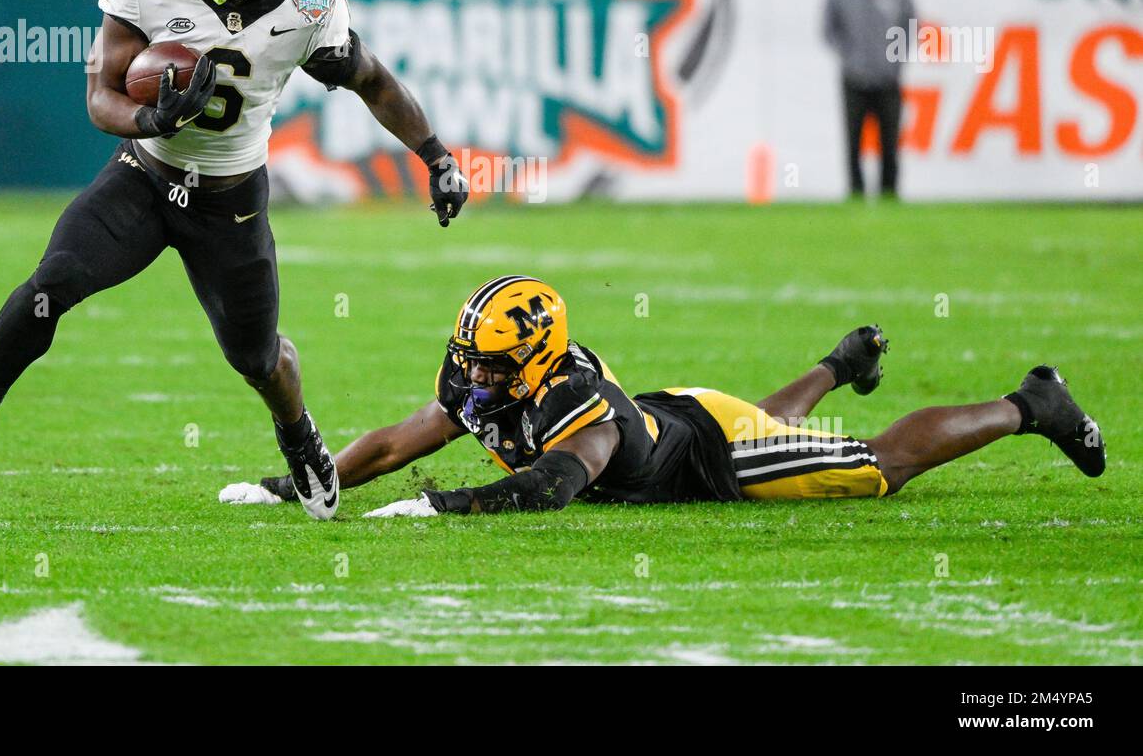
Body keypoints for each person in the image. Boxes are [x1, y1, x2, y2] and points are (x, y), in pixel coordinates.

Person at [0, 0, 471, 523]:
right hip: (144, 176)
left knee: (259, 358)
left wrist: (435, 156)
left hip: (229, 201)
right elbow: (100, 97)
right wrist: (152, 119)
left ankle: (299, 436)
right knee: (50, 285)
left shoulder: (310, 2)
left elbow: (372, 79)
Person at [220, 277, 1105, 516]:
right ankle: (840, 359)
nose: (476, 376)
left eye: (493, 364)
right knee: (765, 429)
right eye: (473, 360)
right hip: (678, 420)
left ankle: (1031, 402)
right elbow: (400, 438)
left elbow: (556, 483)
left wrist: (446, 506)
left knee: (874, 466)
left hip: (706, 452)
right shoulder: (490, 370)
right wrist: (302, 482)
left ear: (536, 352)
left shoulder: (570, 395)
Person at [822, 0, 915, 199]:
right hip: (854, 77)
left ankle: (889, 192)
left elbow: (909, 26)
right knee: (853, 142)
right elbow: (830, 29)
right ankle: (856, 192)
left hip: (888, 78)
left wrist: (895, 60)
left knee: (890, 141)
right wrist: (849, 56)